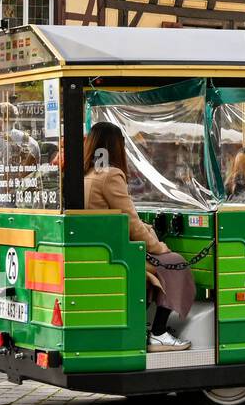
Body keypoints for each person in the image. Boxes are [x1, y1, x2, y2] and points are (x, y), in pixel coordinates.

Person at [83, 121, 194, 352]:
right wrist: (160, 247)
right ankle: (160, 332)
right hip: (117, 255)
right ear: (116, 146)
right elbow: (132, 223)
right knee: (175, 262)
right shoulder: (110, 174)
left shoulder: (87, 172)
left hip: (98, 250)